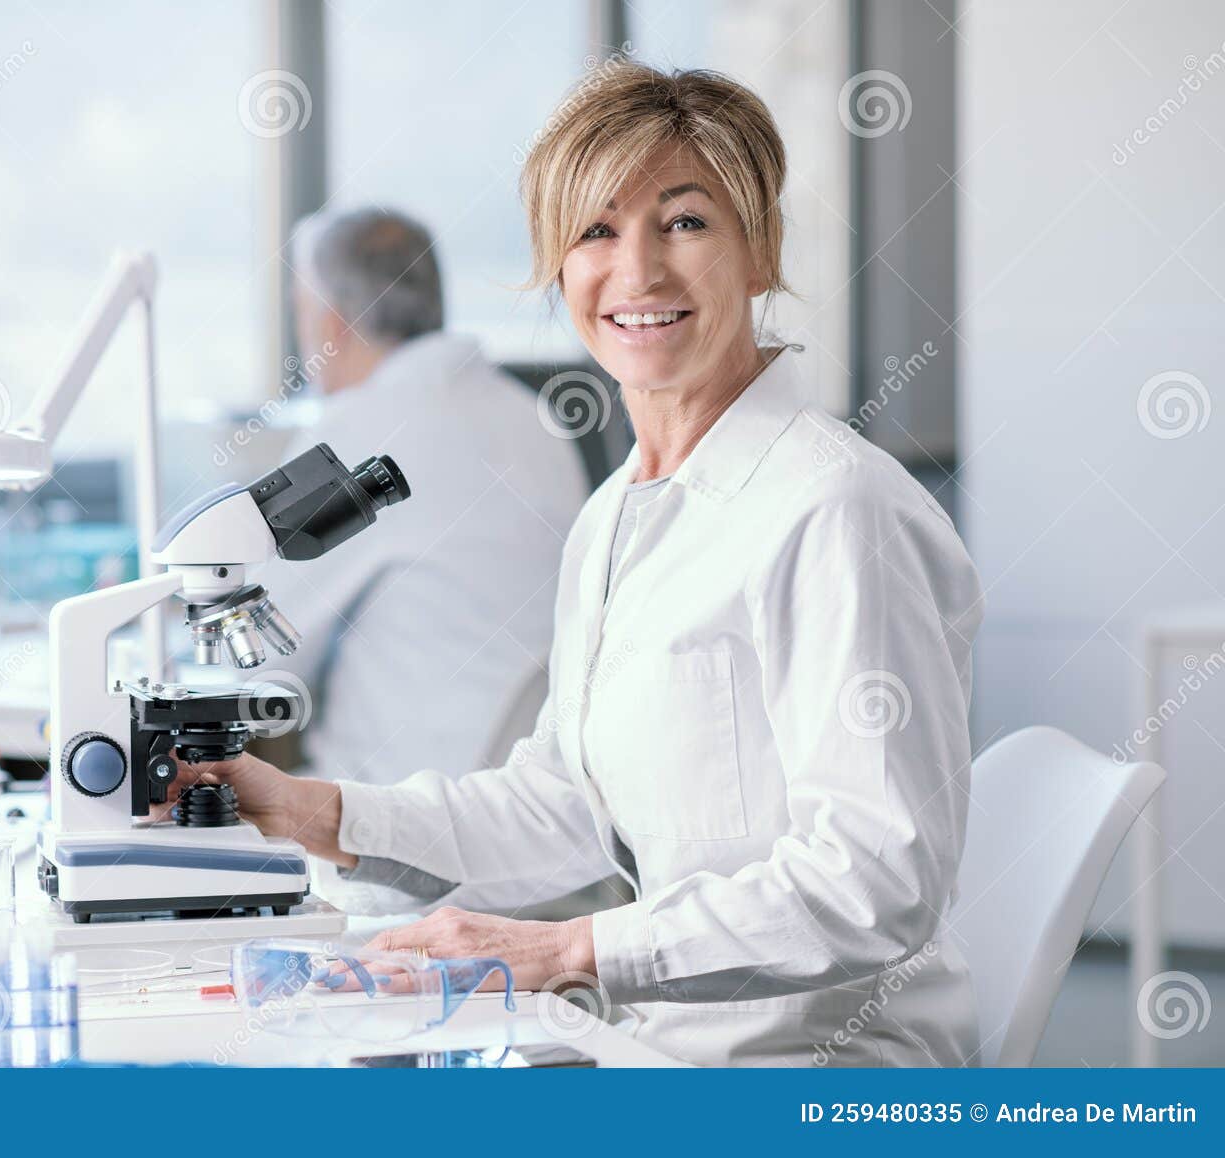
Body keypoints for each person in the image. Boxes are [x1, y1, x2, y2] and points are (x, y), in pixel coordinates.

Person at [165, 67, 984, 1067]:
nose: (638, 272)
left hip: (815, 1071)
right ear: (558, 265)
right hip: (663, 1045)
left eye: (684, 222)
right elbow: (562, 806)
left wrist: (567, 950)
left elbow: (876, 880)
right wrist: (311, 812)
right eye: (596, 231)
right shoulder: (617, 515)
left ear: (761, 250)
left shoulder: (834, 508)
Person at [258, 208, 590, 806]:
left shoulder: (348, 434)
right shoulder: (533, 419)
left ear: (331, 326)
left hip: (394, 814)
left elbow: (258, 662)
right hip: (535, 810)